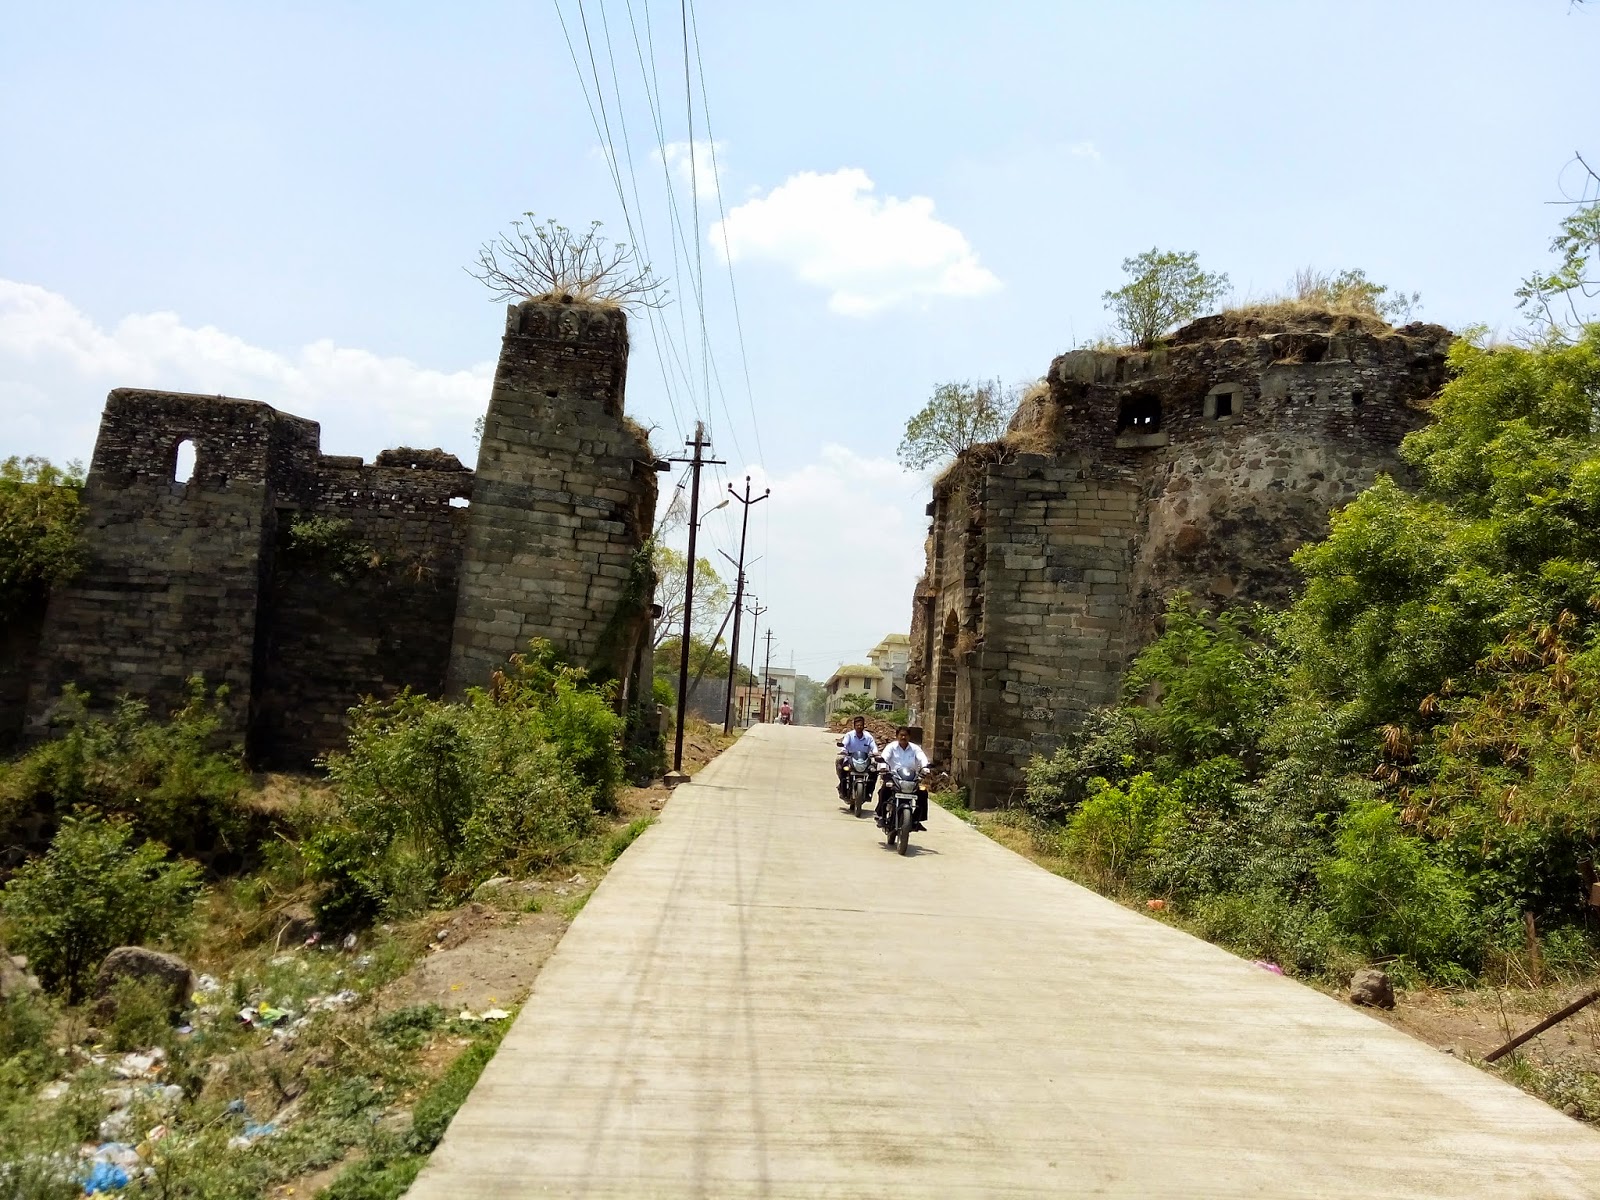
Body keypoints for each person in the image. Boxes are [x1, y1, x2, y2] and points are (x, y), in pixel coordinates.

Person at [876, 725, 930, 831]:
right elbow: (884, 757)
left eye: (906, 735)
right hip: (894, 777)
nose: (903, 737)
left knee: (923, 793)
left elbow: (922, 758)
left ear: (909, 737)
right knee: (884, 790)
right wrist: (883, 768)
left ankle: (917, 820)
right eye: (901, 735)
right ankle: (881, 816)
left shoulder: (915, 748)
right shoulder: (891, 747)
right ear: (897, 736)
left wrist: (925, 768)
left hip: (910, 778)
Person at [837, 715, 877, 798]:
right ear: (854, 726)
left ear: (863, 726)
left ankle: (869, 792)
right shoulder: (849, 735)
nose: (859, 727)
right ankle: (842, 789)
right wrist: (843, 750)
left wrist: (875, 753)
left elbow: (874, 748)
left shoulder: (868, 737)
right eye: (857, 725)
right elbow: (844, 744)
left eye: (861, 725)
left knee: (874, 771)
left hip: (865, 759)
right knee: (842, 768)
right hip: (850, 758)